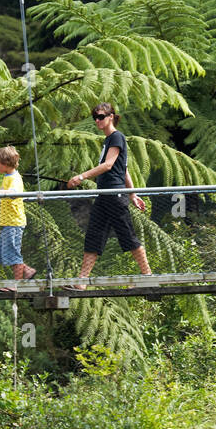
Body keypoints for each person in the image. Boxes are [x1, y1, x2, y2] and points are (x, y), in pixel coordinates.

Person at [66, 103, 151, 290]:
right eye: (95, 117)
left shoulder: (117, 137)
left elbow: (109, 165)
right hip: (104, 195)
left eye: (101, 116)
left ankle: (147, 276)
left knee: (127, 234)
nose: (97, 120)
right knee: (94, 236)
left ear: (111, 116)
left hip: (114, 194)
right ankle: (82, 281)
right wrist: (133, 194)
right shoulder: (108, 140)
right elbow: (125, 169)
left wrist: (81, 177)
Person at [0, 145, 36, 291]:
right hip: (8, 221)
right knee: (3, 251)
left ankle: (16, 284)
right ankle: (27, 270)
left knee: (12, 251)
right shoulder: (7, 177)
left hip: (14, 221)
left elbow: (13, 193)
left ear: (6, 163)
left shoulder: (15, 178)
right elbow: (5, 194)